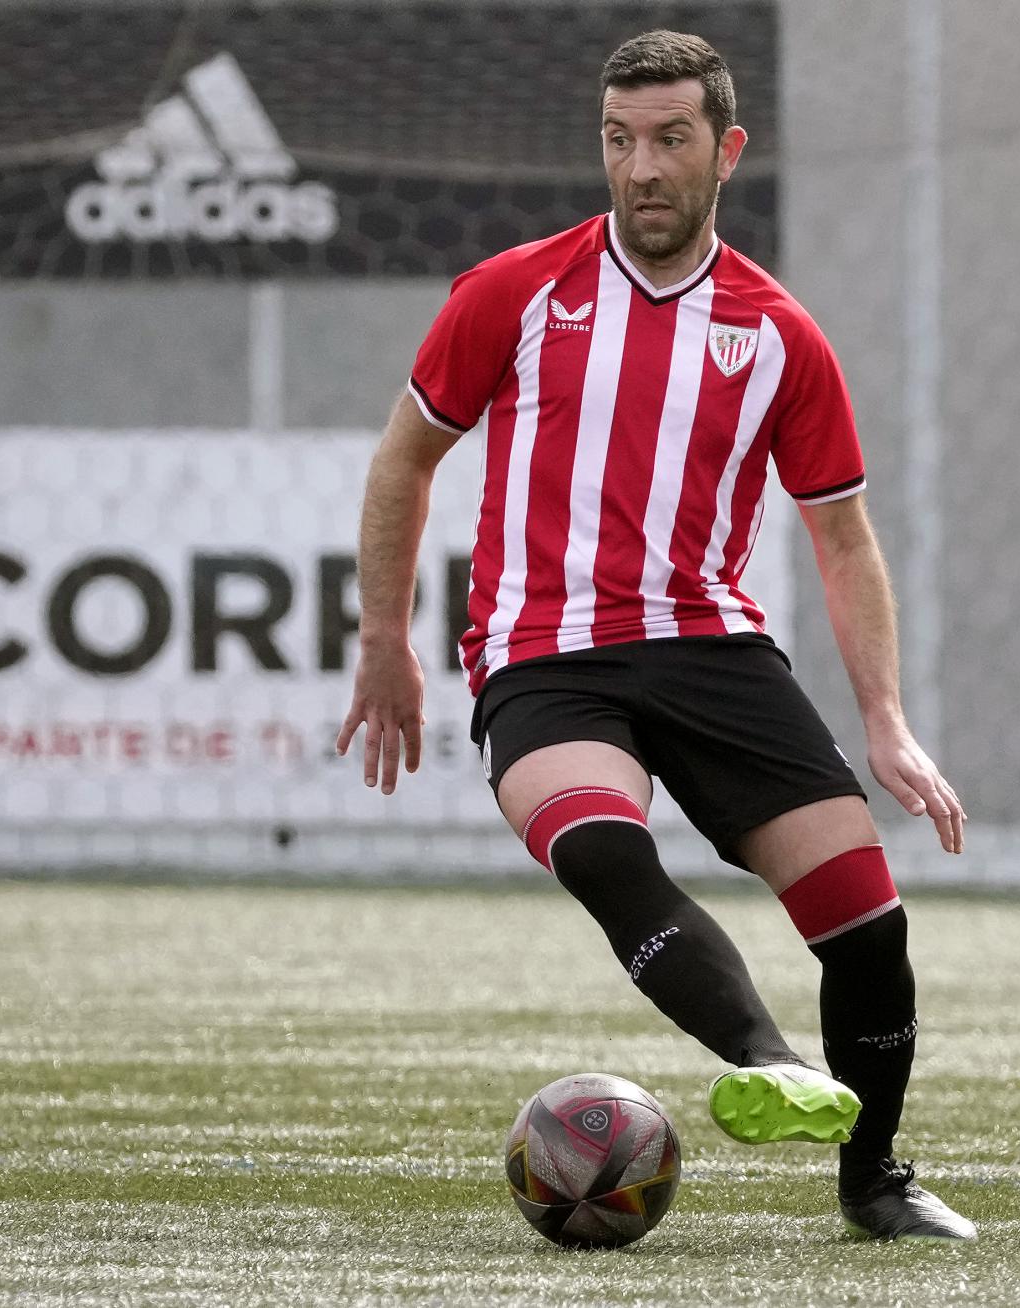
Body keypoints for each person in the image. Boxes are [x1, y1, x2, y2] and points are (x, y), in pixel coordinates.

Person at [336, 29, 974, 1243]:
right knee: (604, 852)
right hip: (543, 655)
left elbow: (843, 537)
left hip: (713, 650)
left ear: (726, 150)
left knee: (867, 923)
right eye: (621, 141)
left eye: (671, 140)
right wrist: (385, 637)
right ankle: (765, 1059)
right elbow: (406, 459)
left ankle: (875, 1178)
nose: (642, 169)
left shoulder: (781, 333)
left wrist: (885, 721)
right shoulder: (514, 292)